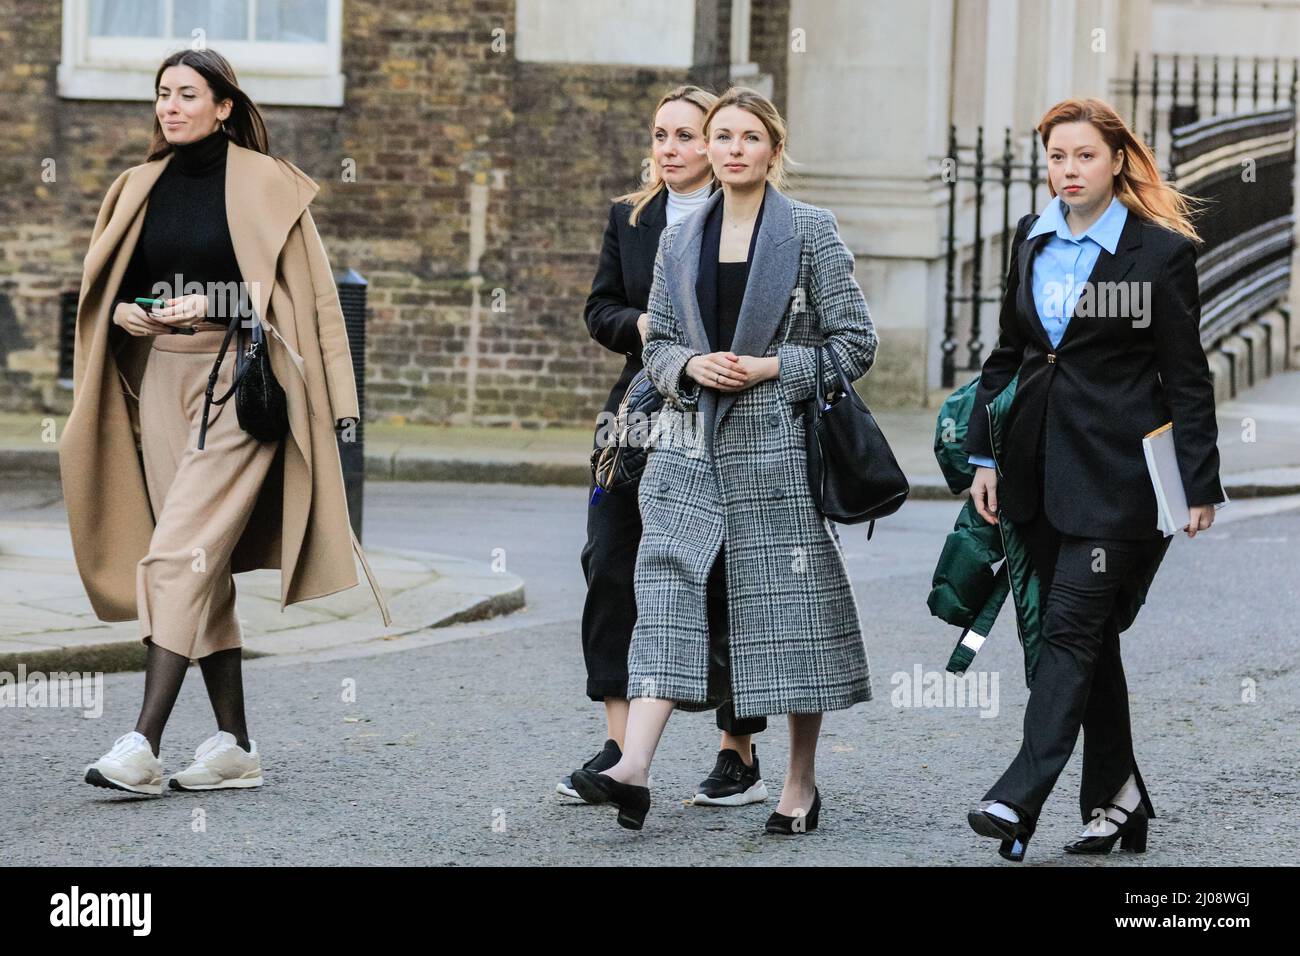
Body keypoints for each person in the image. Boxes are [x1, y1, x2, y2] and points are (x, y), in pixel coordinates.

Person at [62, 48, 389, 796]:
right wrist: (124, 313)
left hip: (243, 386)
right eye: (161, 94)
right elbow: (110, 290)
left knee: (174, 555)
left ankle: (142, 744)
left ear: (223, 106)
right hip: (160, 380)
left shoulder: (265, 185)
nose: (169, 106)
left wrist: (215, 306)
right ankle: (235, 745)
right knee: (198, 562)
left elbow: (300, 303)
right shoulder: (136, 187)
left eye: (186, 94)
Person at [571, 87, 878, 833]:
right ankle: (635, 767)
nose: (733, 149)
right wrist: (689, 368)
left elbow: (855, 343)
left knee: (790, 615)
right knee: (666, 592)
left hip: (776, 448)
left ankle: (797, 785)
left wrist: (773, 369)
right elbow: (661, 340)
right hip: (686, 445)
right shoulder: (679, 239)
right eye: (722, 137)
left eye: (748, 137)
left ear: (773, 149)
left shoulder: (810, 230)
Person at [962, 97, 1226, 860]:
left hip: (1120, 483)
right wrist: (985, 456)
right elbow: (1008, 357)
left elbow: (1187, 376)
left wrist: (1198, 484)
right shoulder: (1031, 238)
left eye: (1083, 156)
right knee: (1087, 641)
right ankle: (1120, 800)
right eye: (1055, 157)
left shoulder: (1158, 253)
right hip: (1035, 472)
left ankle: (1017, 800)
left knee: (1070, 630)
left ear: (1117, 161)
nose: (1068, 170)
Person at [564, 85, 771, 809]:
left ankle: (737, 750)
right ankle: (621, 748)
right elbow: (601, 309)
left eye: (687, 135)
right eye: (661, 135)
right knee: (609, 559)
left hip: (727, 410)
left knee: (722, 576)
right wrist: (656, 328)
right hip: (638, 410)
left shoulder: (745, 218)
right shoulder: (633, 216)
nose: (672, 149)